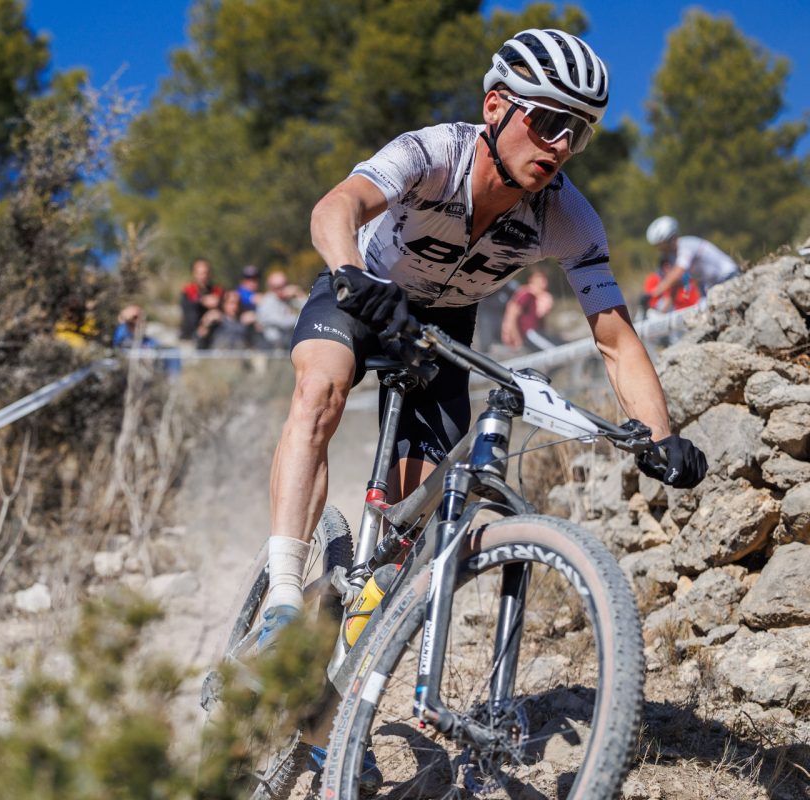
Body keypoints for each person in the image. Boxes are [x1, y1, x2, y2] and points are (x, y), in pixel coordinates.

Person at [261, 32, 709, 784]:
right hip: (362, 290)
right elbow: (337, 206)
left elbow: (614, 335)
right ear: (496, 106)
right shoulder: (434, 152)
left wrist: (660, 434)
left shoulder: (569, 216)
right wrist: (349, 273)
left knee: (401, 544)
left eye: (579, 132)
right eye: (548, 121)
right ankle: (280, 593)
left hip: (441, 330)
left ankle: (326, 707)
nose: (561, 145)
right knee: (322, 388)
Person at [644, 216, 739, 301]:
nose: (659, 249)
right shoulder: (673, 257)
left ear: (669, 239)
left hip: (729, 276)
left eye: (660, 245)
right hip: (712, 285)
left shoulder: (686, 245)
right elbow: (676, 283)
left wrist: (655, 292)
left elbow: (677, 273)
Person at [500, 268, 556, 351]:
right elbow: (511, 316)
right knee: (554, 350)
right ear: (531, 279)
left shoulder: (538, 297)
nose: (543, 281)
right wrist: (517, 338)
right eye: (540, 278)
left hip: (536, 333)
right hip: (530, 334)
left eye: (545, 278)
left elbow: (541, 315)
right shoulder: (526, 294)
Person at [255, 269, 306, 349]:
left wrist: (299, 295)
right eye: (277, 287)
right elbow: (284, 323)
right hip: (272, 349)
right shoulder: (266, 302)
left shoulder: (290, 300)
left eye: (285, 285)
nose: (282, 289)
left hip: (288, 347)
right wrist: (300, 319)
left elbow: (310, 312)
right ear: (270, 288)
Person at [179, 257, 223, 341]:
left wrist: (219, 303)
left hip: (214, 338)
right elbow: (189, 315)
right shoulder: (188, 291)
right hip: (191, 337)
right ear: (194, 274)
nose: (203, 276)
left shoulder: (216, 291)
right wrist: (202, 301)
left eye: (206, 273)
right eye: (200, 273)